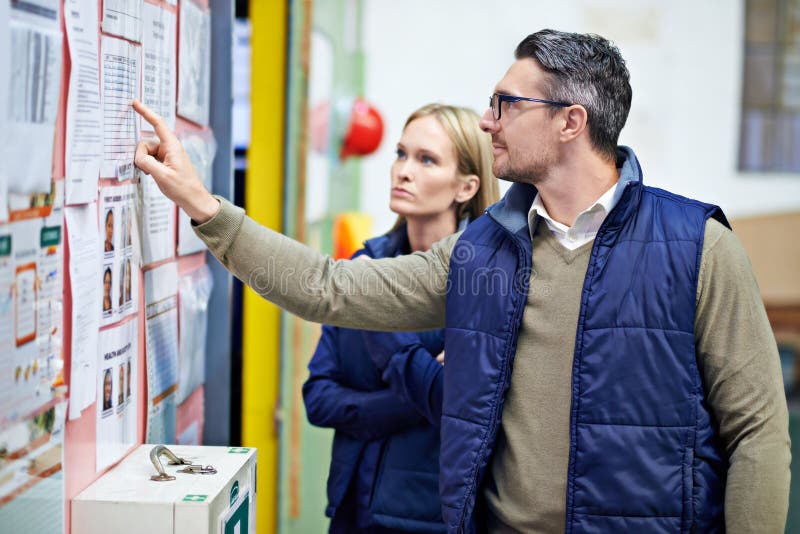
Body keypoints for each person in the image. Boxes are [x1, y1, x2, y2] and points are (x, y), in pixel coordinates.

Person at [132, 28, 790, 533]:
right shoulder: (482, 254)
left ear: (570, 122)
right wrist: (205, 206)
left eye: (506, 103)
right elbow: (329, 287)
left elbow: (757, 433)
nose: (486, 121)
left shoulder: (698, 245)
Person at [303, 103, 499, 533]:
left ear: (466, 187)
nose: (403, 171)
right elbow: (317, 397)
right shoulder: (364, 266)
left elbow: (473, 411)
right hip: (350, 507)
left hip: (424, 517)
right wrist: (424, 390)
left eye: (426, 159)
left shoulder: (482, 285)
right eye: (400, 153)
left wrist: (416, 386)